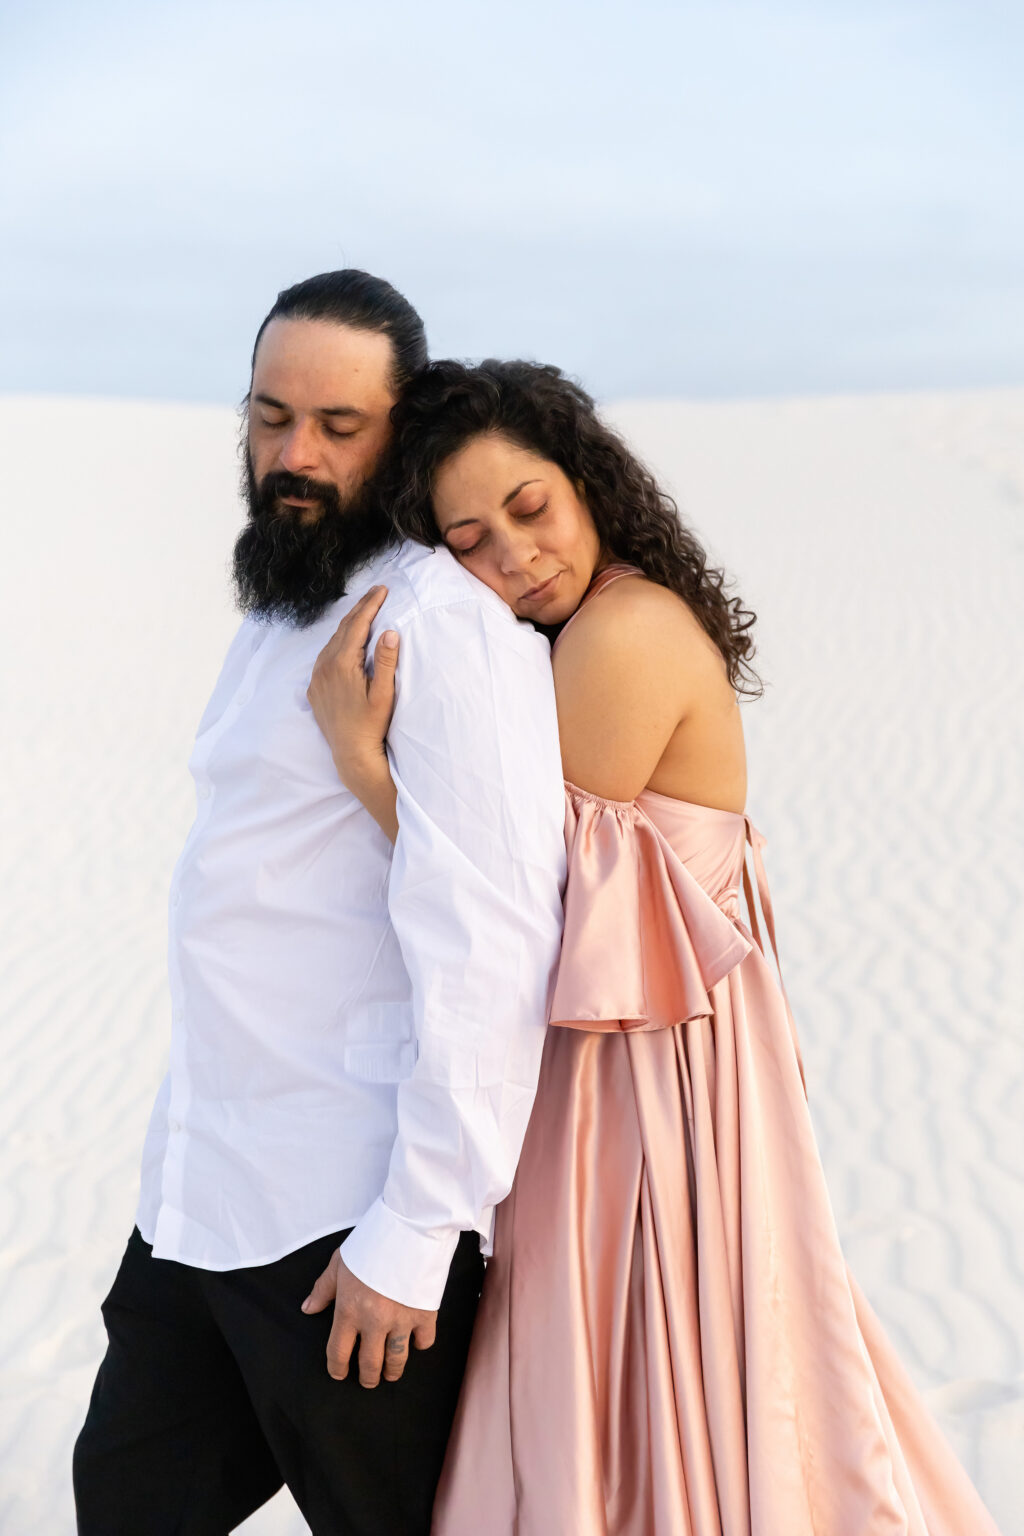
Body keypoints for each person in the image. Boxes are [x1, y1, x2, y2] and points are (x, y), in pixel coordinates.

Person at [318, 358, 1003, 1535]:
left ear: (586, 480)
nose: (515, 558)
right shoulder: (589, 624)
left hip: (649, 1069)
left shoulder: (622, 632)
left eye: (530, 509)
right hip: (644, 1045)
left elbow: (518, 900)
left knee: (642, 1346)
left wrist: (363, 768)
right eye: (470, 540)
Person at [72, 278, 567, 1536]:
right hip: (199, 1200)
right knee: (126, 1501)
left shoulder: (443, 626)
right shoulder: (289, 594)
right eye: (270, 416)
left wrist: (415, 1233)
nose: (295, 454)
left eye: (339, 427)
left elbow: (493, 942)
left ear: (400, 431)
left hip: (345, 1226)